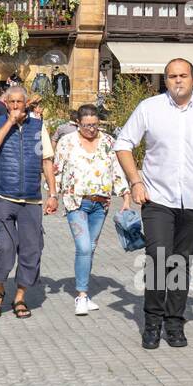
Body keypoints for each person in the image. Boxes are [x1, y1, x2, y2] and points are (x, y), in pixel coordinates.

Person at [113, 58, 193, 350]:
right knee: (158, 259)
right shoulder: (149, 108)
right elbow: (123, 144)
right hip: (157, 198)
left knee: (180, 262)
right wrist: (136, 181)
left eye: (183, 75)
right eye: (171, 76)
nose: (177, 80)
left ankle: (174, 323)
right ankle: (152, 322)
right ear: (165, 80)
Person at [0, 84, 58, 319]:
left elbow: (46, 160)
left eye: (19, 102)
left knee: (32, 249)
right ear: (6, 104)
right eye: (11, 102)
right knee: (4, 247)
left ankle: (20, 296)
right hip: (4, 196)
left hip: (32, 199)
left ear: (26, 104)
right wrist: (9, 124)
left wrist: (53, 194)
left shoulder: (38, 127)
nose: (15, 106)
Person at [54, 104, 130, 316]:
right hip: (76, 202)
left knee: (91, 247)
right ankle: (81, 296)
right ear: (78, 123)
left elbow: (116, 169)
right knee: (84, 247)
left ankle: (84, 290)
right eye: (87, 125)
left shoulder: (107, 141)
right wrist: (52, 195)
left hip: (101, 203)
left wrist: (126, 195)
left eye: (95, 125)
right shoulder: (66, 142)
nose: (91, 129)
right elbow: (57, 169)